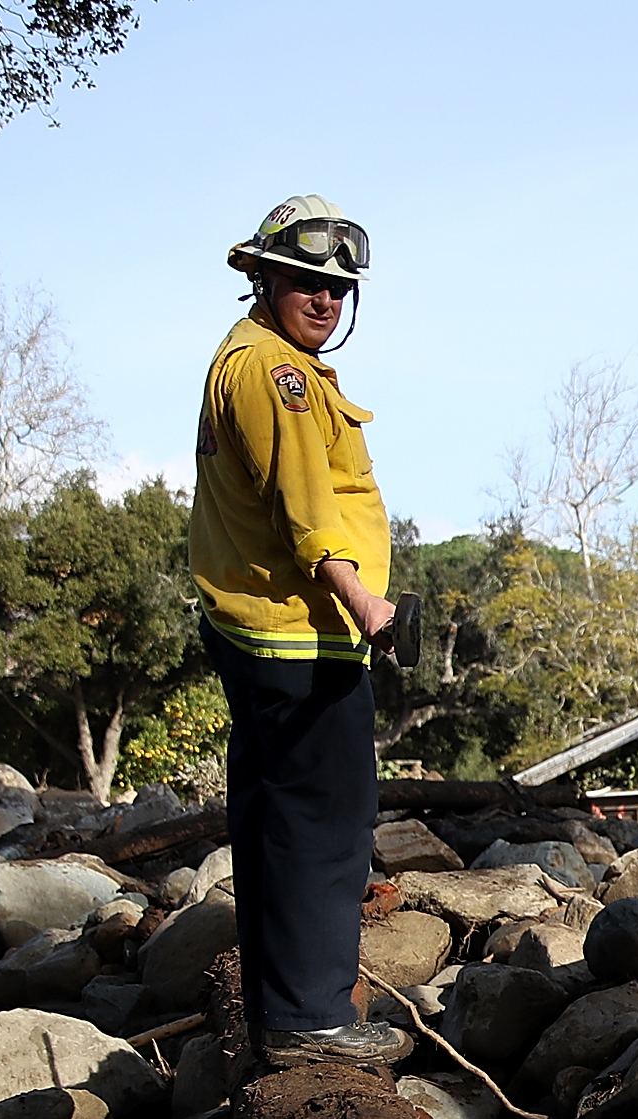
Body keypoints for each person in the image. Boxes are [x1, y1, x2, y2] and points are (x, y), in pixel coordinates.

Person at [189, 195, 406, 1069]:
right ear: (266, 278)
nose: (326, 301)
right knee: (323, 824)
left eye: (339, 290)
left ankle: (291, 1011)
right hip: (296, 636)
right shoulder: (271, 373)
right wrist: (365, 603)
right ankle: (312, 1021)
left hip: (274, 629)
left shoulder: (260, 359)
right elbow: (305, 508)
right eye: (308, 283)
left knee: (279, 817)